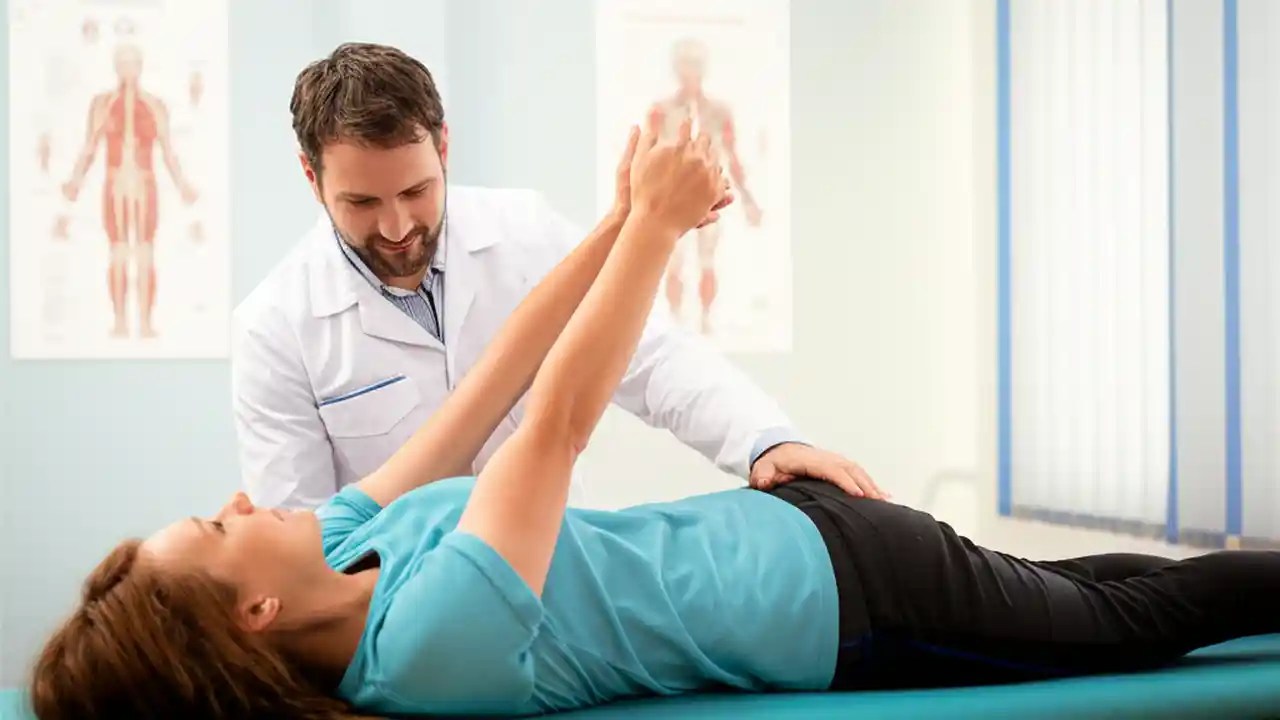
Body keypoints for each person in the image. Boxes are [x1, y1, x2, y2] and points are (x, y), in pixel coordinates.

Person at [27, 119, 1280, 720]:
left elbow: (490, 391)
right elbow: (552, 432)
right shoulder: (421, 653)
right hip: (852, 608)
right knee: (1134, 611)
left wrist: (621, 217)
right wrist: (661, 232)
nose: (239, 499)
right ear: (250, 612)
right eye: (212, 524)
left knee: (1124, 595)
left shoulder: (356, 546)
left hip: (796, 530)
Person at [230, 42, 882, 512]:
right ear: (311, 178)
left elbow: (650, 356)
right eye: (362, 204)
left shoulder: (524, 232)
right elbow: (303, 543)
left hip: (551, 581)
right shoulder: (274, 329)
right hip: (392, 613)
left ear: (445, 147)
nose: (398, 226)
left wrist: (763, 443)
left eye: (417, 190)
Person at [62, 42, 200, 339]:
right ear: (116, 66)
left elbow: (167, 150)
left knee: (146, 252)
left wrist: (182, 185)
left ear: (140, 66)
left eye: (132, 62)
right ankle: (121, 321)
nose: (128, 69)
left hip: (144, 182)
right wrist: (75, 180)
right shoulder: (102, 104)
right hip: (115, 183)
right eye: (122, 62)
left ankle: (146, 322)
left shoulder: (154, 105)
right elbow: (90, 146)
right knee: (120, 252)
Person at [647, 37, 763, 335]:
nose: (689, 71)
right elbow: (649, 153)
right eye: (685, 64)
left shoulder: (719, 112)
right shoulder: (661, 111)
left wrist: (748, 198)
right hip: (672, 199)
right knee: (673, 263)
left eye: (695, 64)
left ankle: (706, 322)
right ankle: (674, 320)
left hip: (709, 198)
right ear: (676, 68)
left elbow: (732, 155)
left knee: (707, 261)